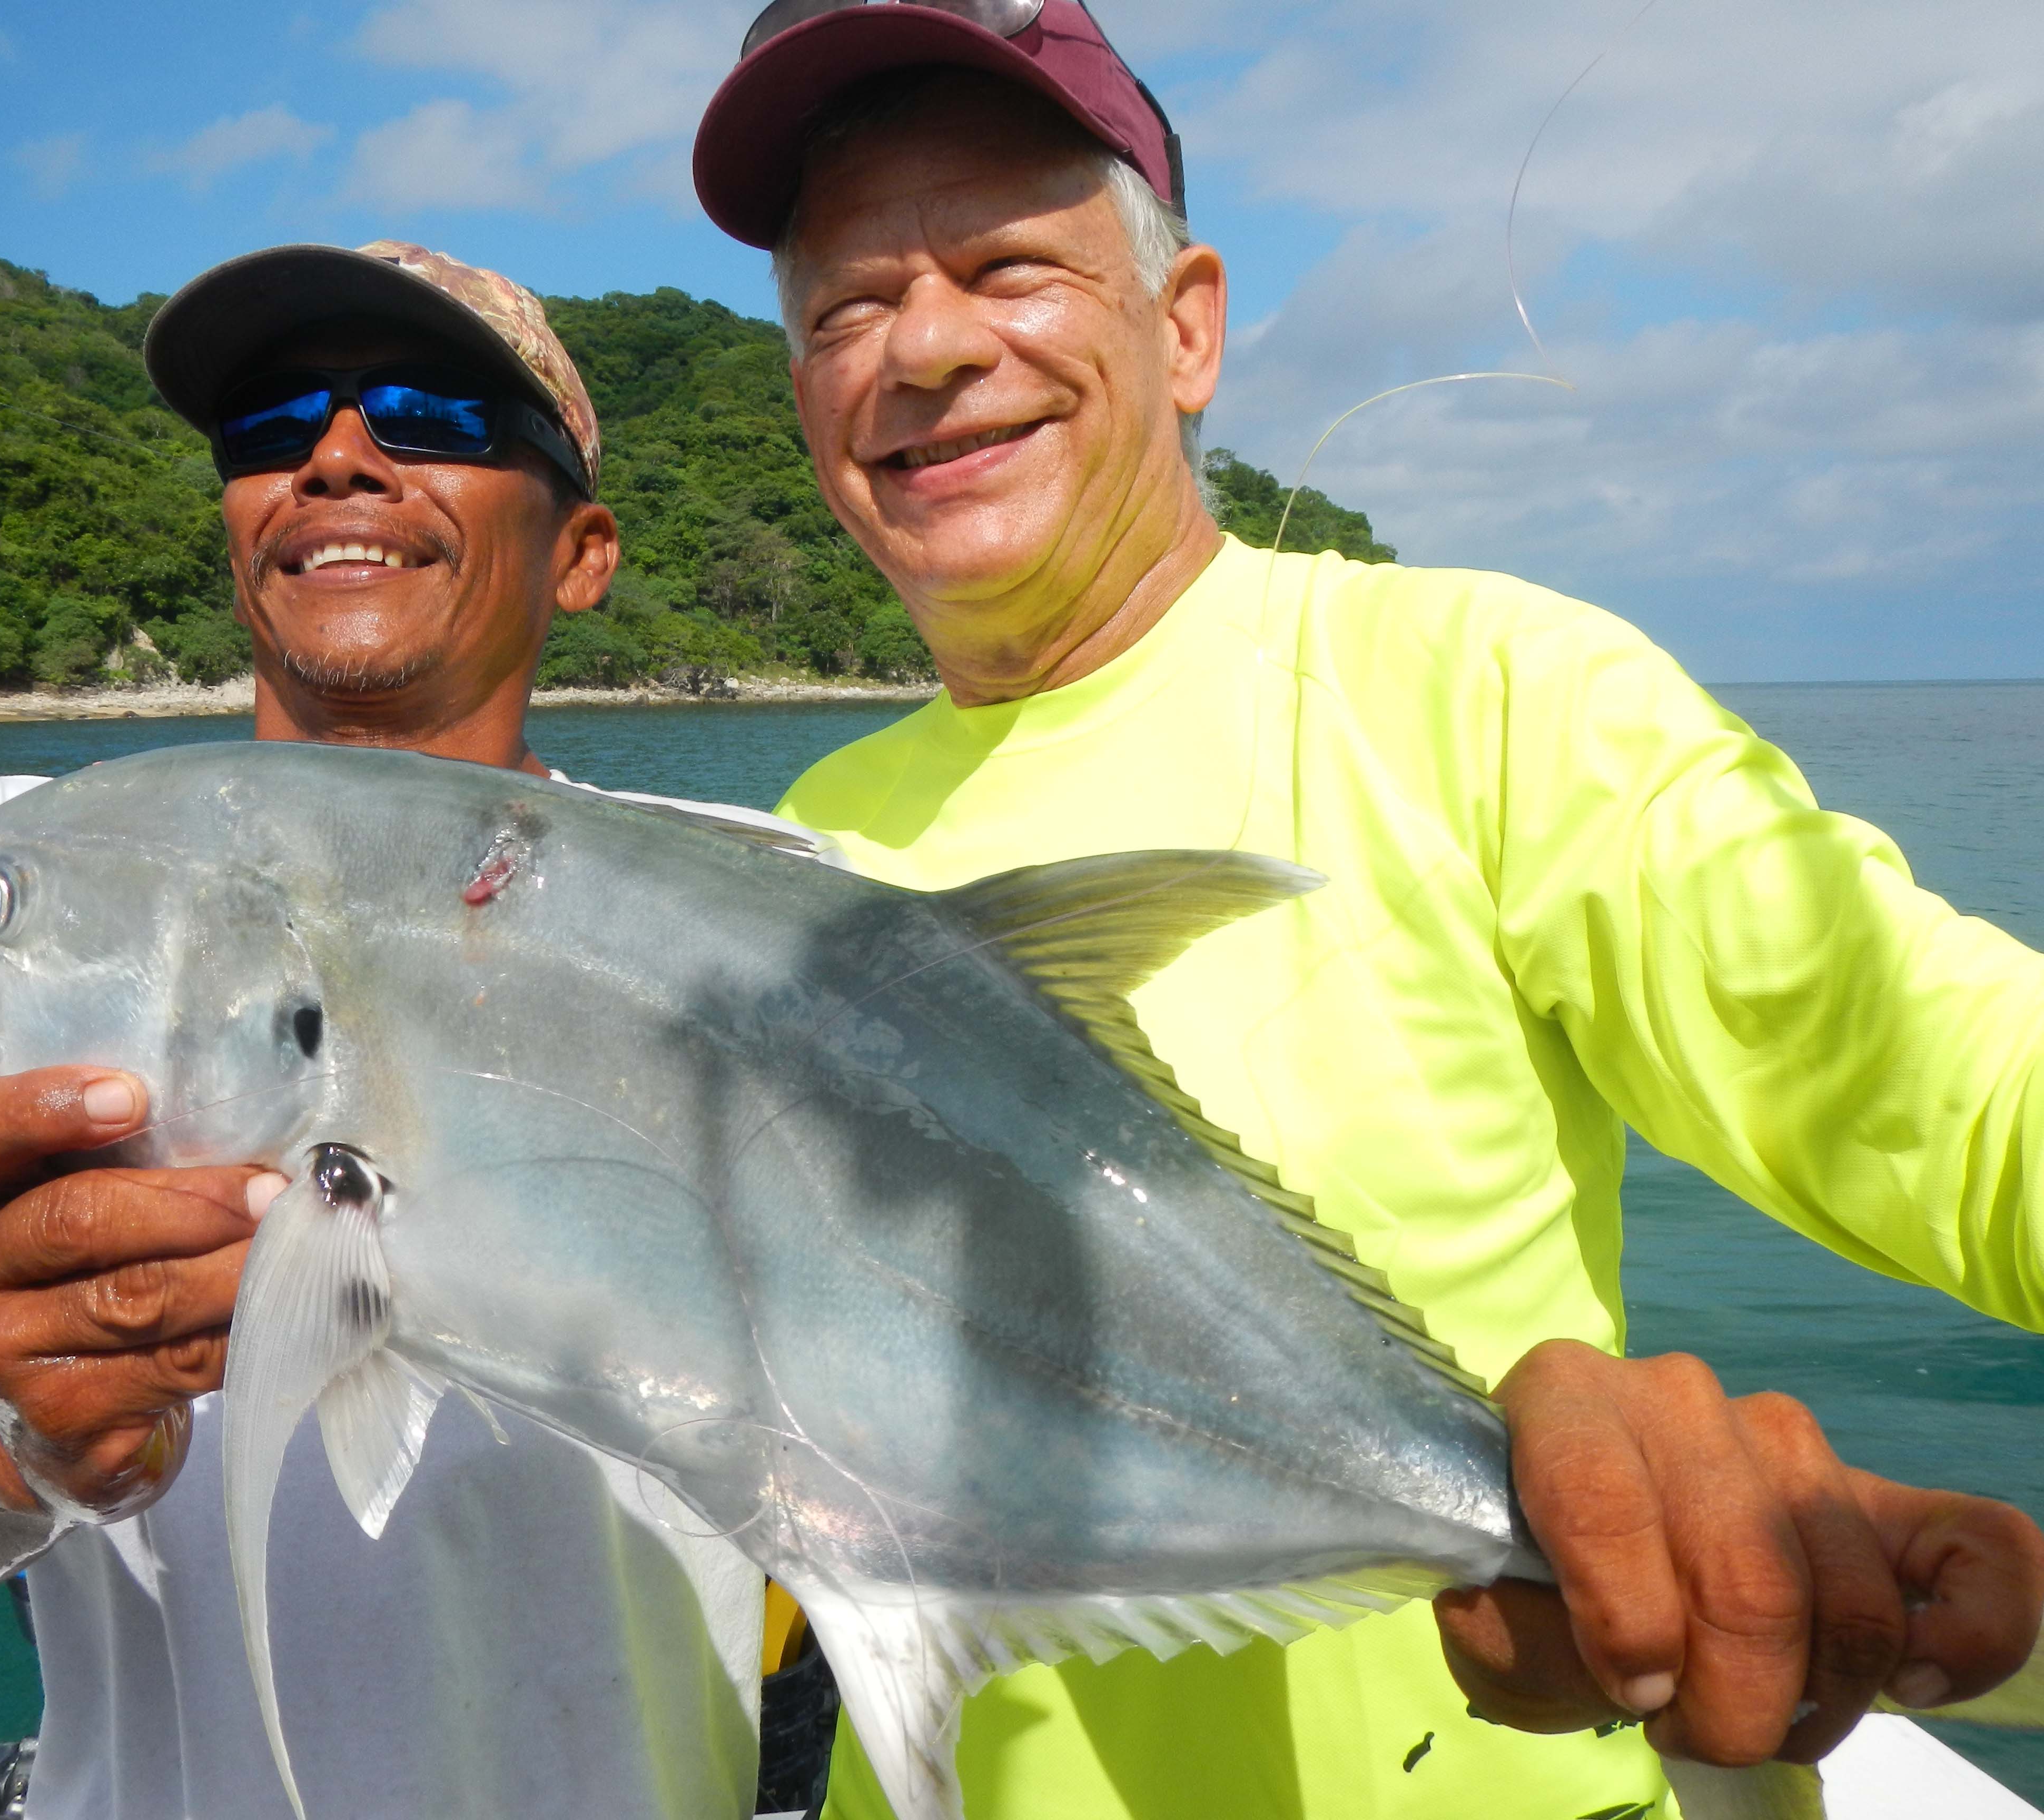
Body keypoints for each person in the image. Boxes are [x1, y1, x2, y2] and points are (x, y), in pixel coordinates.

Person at [687, 5, 2044, 1817]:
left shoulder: (1485, 696)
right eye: (847, 309)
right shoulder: (788, 854)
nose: (925, 348)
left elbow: (1966, 1095)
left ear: (1186, 329)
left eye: (1008, 269)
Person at [0, 240, 829, 1820]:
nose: (337, 458)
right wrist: (13, 1429)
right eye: (271, 426)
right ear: (236, 530)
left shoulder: (758, 911)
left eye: (435, 414)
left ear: (583, 554)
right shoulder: (16, 876)